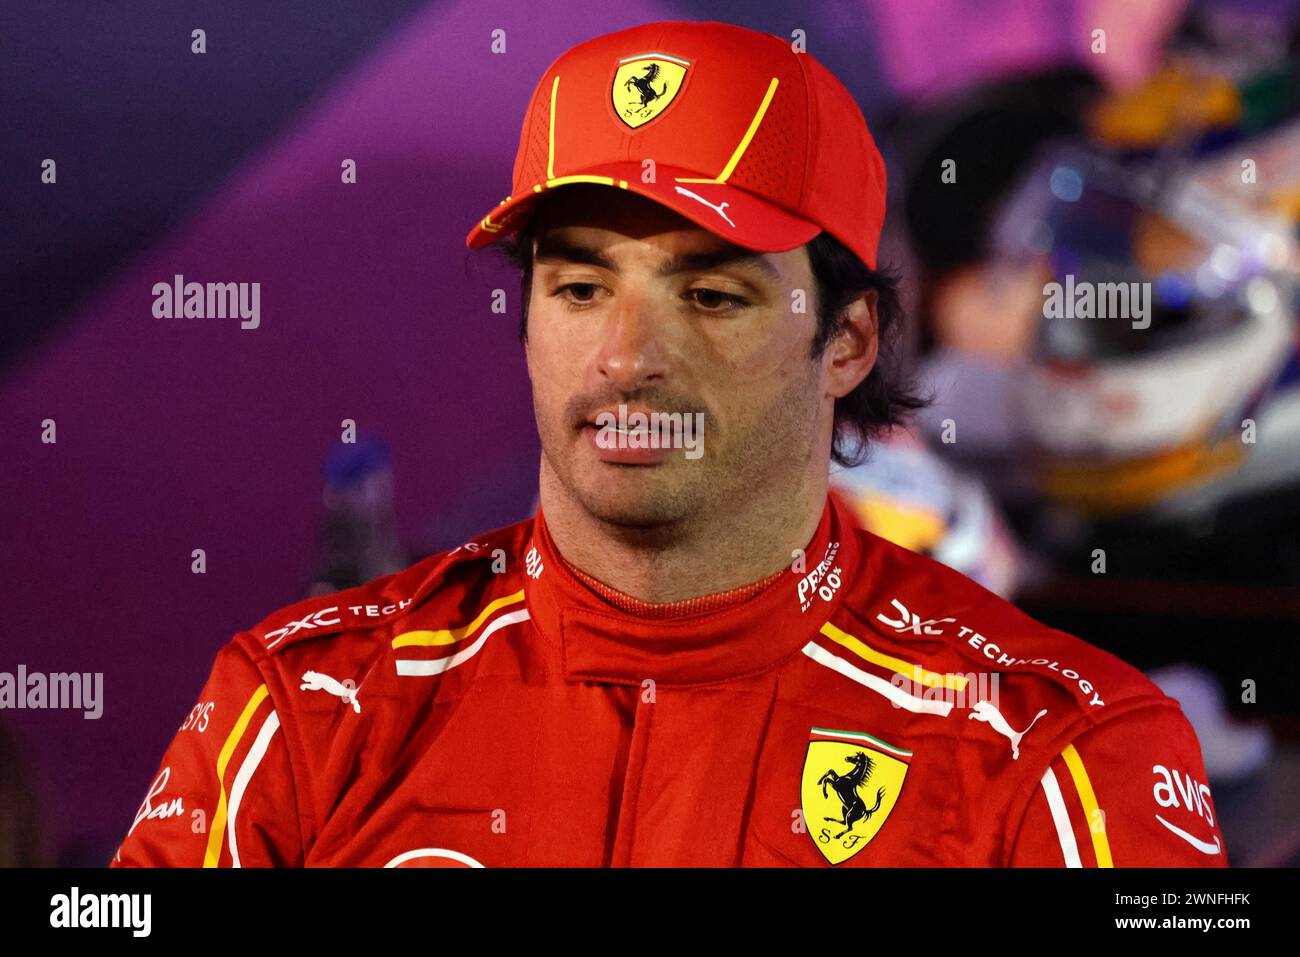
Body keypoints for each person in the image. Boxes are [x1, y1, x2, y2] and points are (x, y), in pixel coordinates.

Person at [112, 20, 1226, 867]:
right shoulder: (303, 710)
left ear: (847, 342)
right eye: (582, 284)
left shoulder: (1070, 758)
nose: (626, 354)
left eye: (711, 293)